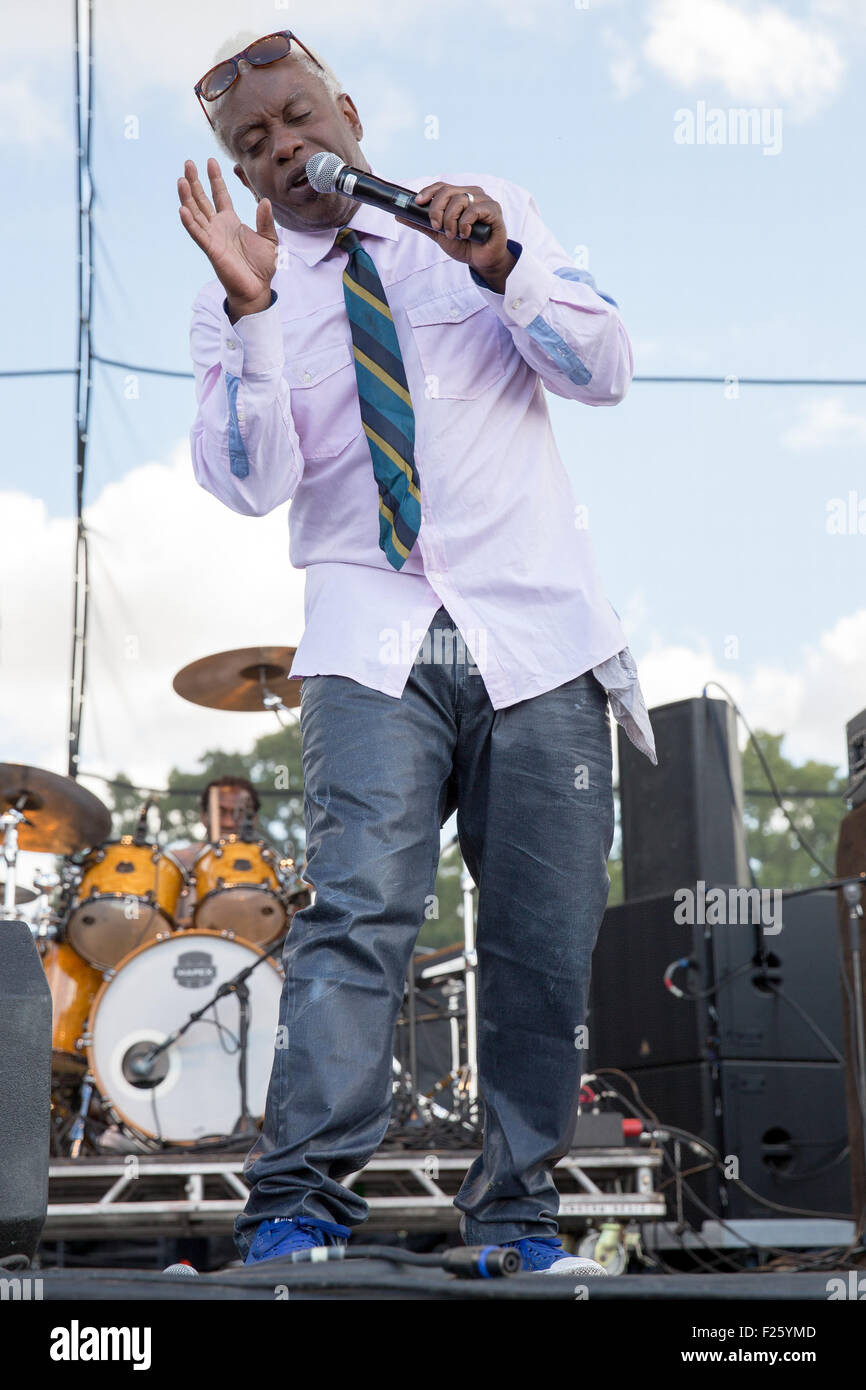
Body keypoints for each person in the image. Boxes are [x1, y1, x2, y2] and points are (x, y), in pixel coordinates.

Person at [179, 28, 657, 1276]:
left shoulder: (477, 215)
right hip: (366, 638)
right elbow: (250, 482)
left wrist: (500, 264)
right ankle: (297, 1210)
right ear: (238, 173)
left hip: (534, 635)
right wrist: (251, 317)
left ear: (344, 107)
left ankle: (515, 1219)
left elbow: (602, 367)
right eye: (251, 146)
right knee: (357, 918)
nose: (283, 151)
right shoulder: (241, 281)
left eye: (295, 120)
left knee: (542, 937)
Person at [172, 776, 261, 926]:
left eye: (239, 813)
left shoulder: (270, 865)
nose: (229, 822)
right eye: (220, 812)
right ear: (204, 817)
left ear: (254, 819)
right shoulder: (179, 862)